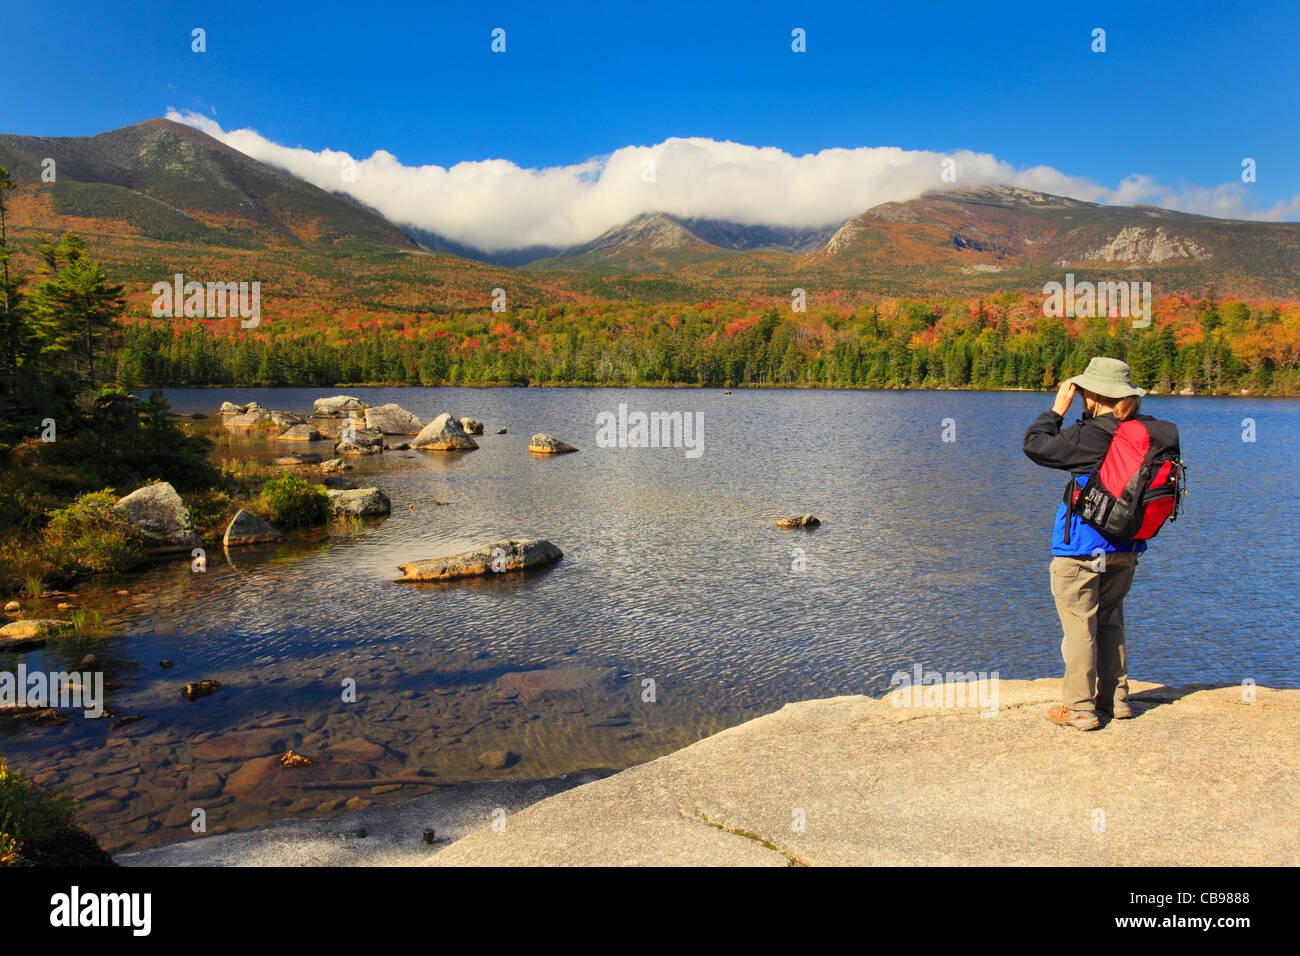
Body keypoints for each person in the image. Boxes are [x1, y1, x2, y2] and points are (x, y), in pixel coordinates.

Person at [1023, 357, 1151, 731]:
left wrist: (1056, 410)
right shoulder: (1141, 432)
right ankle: (1117, 700)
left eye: (1085, 392)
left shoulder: (1090, 435)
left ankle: (1079, 708)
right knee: (1110, 620)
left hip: (1082, 548)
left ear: (1094, 394)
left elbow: (1035, 445)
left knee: (1080, 625)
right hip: (1125, 548)